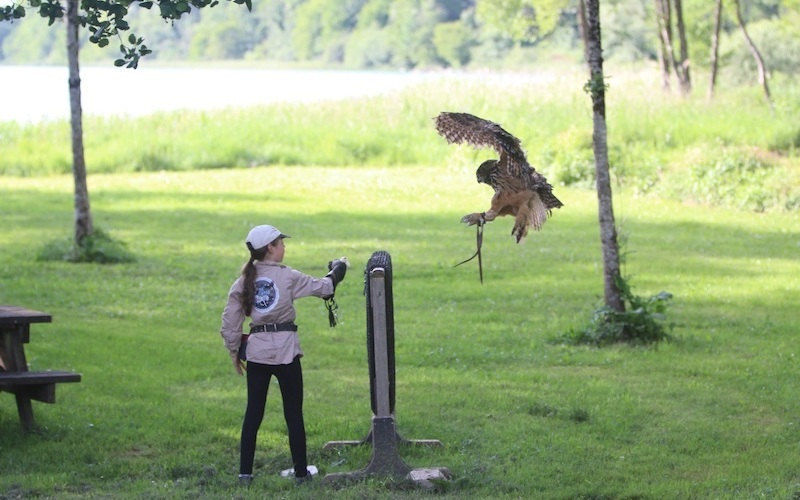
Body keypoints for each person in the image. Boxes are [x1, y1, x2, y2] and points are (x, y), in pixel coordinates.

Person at [219, 224, 348, 486]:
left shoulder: (243, 281)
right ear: (270, 248)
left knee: (253, 413)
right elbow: (325, 288)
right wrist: (338, 269)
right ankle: (301, 473)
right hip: (287, 352)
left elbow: (230, 321)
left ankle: (245, 475)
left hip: (257, 354)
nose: (284, 247)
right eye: (281, 243)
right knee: (293, 414)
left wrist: (234, 352)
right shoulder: (288, 277)